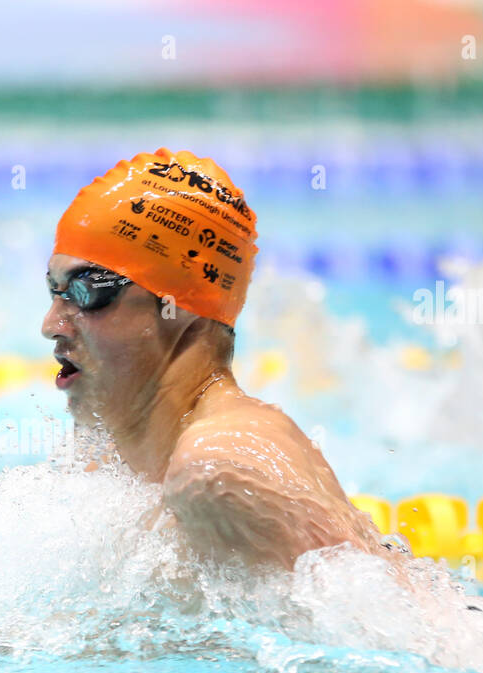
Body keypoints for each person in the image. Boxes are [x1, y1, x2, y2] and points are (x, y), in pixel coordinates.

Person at [42, 148, 388, 570]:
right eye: (55, 291)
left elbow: (402, 623)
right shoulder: (106, 460)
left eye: (86, 291)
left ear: (179, 303)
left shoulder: (216, 473)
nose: (52, 323)